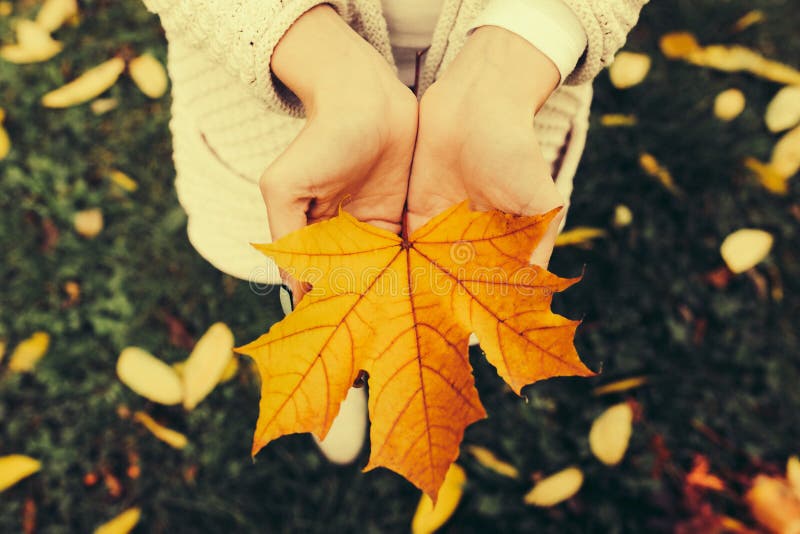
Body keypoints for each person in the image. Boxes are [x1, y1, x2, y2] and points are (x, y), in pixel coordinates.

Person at [142, 0, 647, 464]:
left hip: (510, 103)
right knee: (306, 266)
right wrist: (319, 59)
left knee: (440, 308)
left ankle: (350, 373)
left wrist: (518, 54)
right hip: (265, 98)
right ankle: (335, 378)